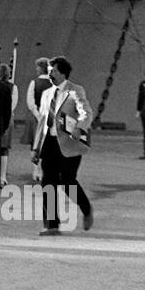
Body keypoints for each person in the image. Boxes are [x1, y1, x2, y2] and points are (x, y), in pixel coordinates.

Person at [32, 56, 94, 234]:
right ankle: (52, 225)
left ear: (63, 73)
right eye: (50, 70)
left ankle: (86, 208)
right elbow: (42, 121)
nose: (50, 73)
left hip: (70, 143)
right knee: (48, 183)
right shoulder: (47, 94)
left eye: (54, 71)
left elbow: (86, 112)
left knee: (68, 181)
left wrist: (80, 128)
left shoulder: (75, 91)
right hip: (50, 143)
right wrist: (36, 148)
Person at [23, 58, 52, 154]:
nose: (36, 69)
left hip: (36, 116)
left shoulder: (34, 82)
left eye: (37, 67)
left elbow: (30, 102)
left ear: (40, 68)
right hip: (51, 115)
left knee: (35, 144)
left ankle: (35, 168)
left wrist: (38, 115)